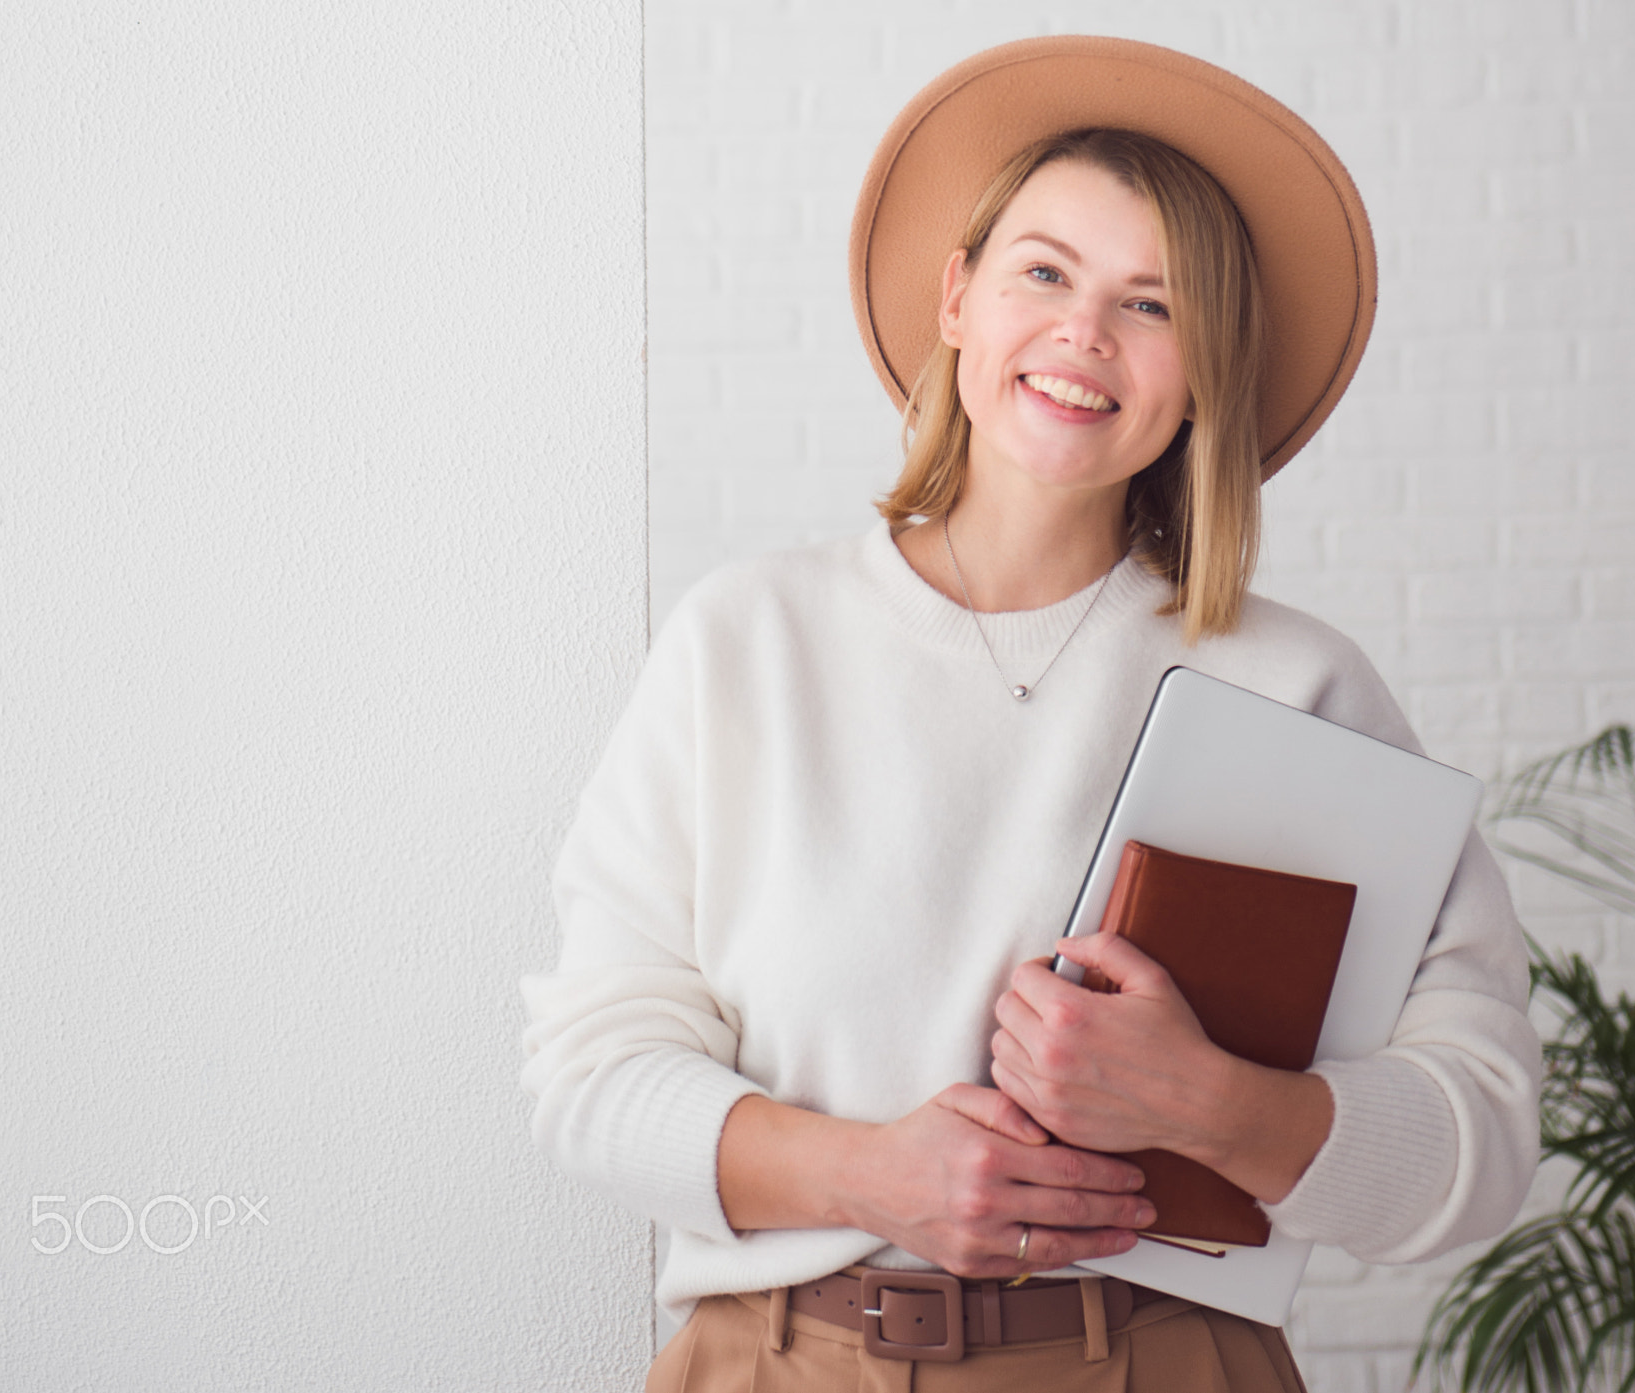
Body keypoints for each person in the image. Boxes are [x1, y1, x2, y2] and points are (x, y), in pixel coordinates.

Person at [519, 35, 1542, 1393]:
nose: (1085, 335)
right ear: (958, 300)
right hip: (783, 1362)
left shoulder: (1305, 690)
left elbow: (1480, 1141)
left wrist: (1216, 1104)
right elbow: (587, 1074)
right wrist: (874, 1174)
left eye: (1153, 304)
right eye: (1045, 273)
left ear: (1203, 372)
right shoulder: (747, 641)